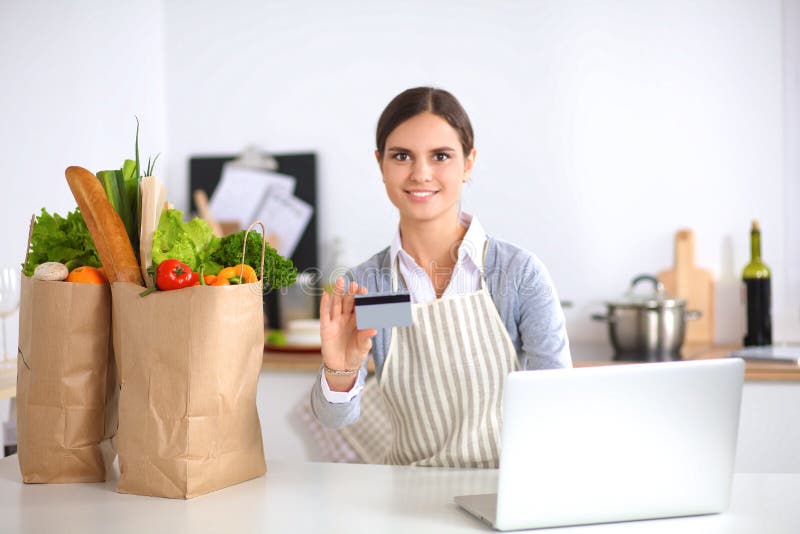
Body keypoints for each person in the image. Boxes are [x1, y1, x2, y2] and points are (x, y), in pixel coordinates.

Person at [311, 87, 571, 468]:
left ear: (468, 163)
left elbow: (559, 400)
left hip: (507, 490)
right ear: (381, 163)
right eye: (402, 156)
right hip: (409, 495)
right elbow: (336, 418)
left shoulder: (514, 274)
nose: (421, 174)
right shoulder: (374, 286)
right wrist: (342, 368)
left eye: (441, 156)